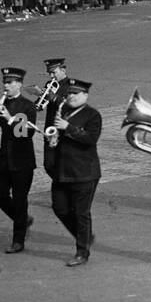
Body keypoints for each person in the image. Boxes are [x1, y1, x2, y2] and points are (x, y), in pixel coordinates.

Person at [47, 79, 102, 266]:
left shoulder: (93, 115)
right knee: (59, 208)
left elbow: (90, 139)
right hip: (62, 171)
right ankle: (84, 235)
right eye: (69, 93)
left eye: (76, 94)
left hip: (84, 173)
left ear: (85, 95)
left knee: (81, 213)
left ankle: (82, 252)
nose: (71, 96)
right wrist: (53, 137)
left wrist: (67, 128)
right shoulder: (63, 111)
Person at [0, 66, 39, 253]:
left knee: (20, 200)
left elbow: (26, 133)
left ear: (19, 84)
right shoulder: (2, 103)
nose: (6, 86)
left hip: (22, 161)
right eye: (5, 82)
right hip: (4, 158)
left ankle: (18, 240)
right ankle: (23, 220)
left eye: (10, 82)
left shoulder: (27, 106)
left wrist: (10, 119)